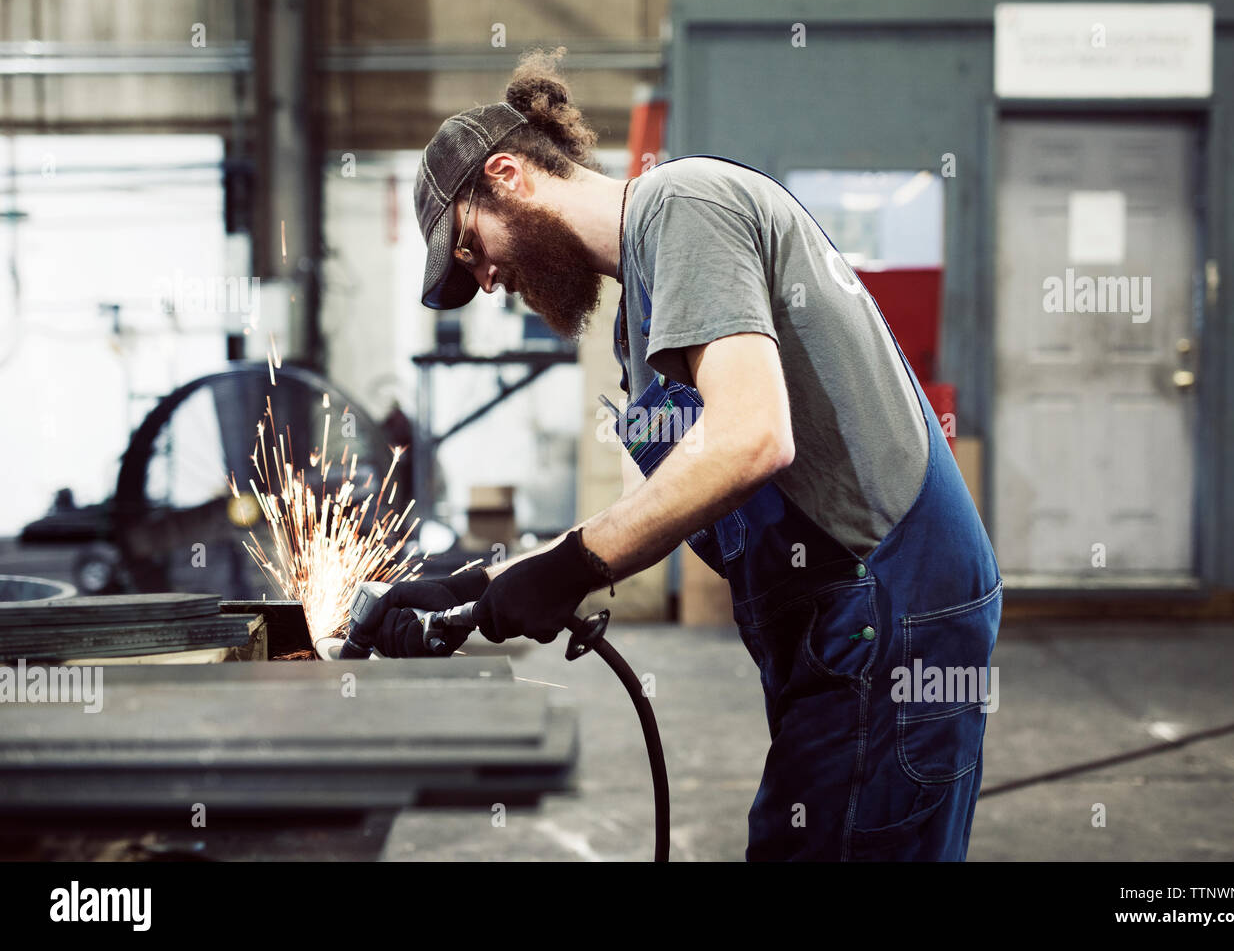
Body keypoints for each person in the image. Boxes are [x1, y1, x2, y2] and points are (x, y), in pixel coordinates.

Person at [355, 48, 1002, 861]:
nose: (484, 279)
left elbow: (751, 438)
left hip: (887, 608)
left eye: (470, 246)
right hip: (836, 618)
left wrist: (576, 567)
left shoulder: (682, 205)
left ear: (509, 173)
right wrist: (483, 579)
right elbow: (676, 491)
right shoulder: (641, 313)